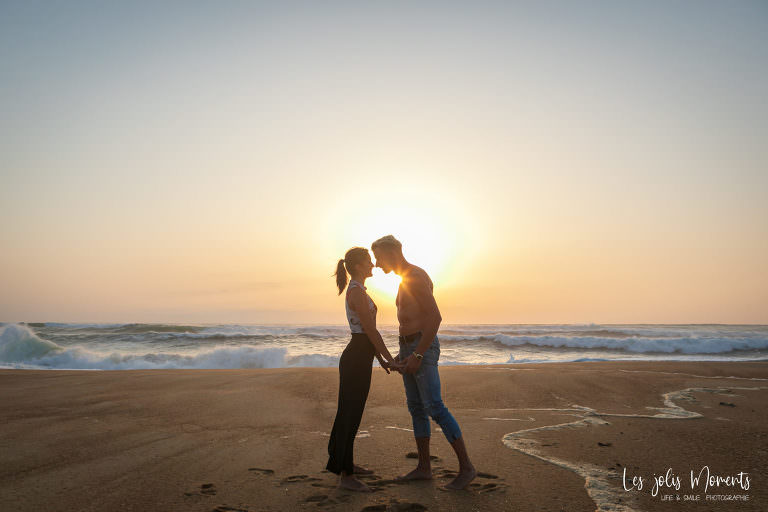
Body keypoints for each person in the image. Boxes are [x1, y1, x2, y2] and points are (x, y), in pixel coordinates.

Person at [371, 235, 477, 490]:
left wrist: (418, 354)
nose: (376, 264)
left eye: (378, 257)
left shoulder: (416, 277)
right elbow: (409, 321)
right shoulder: (404, 279)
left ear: (392, 253)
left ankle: (467, 468)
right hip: (410, 346)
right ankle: (424, 468)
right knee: (416, 408)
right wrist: (402, 354)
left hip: (423, 348)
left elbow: (435, 318)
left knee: (435, 407)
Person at [326, 246, 401, 492]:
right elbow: (370, 331)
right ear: (358, 266)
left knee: (353, 411)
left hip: (361, 354)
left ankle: (346, 463)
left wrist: (379, 358)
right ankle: (346, 476)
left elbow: (368, 334)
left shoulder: (359, 290)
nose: (373, 264)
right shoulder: (356, 292)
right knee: (350, 412)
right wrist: (390, 358)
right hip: (357, 356)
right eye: (369, 261)